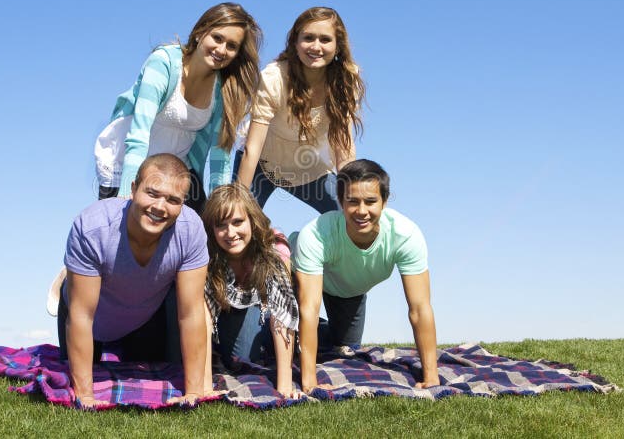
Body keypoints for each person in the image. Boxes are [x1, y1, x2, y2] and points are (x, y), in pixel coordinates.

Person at [58, 153, 210, 408]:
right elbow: (81, 316)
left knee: (153, 372)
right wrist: (85, 397)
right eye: (152, 193)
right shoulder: (93, 227)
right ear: (133, 189)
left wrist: (194, 393)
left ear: (183, 203)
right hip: (89, 321)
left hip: (142, 318)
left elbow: (191, 313)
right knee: (83, 382)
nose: (160, 207)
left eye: (173, 200)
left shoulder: (191, 230)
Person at [95, 2, 262, 212]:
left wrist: (221, 209)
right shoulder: (164, 63)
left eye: (231, 46)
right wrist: (128, 191)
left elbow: (221, 157)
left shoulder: (224, 89)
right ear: (201, 32)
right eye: (217, 38)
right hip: (127, 159)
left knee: (204, 227)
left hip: (177, 166)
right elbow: (139, 131)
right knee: (121, 234)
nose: (222, 50)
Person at [291, 159, 440, 392]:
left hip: (348, 291)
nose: (362, 211)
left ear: (384, 201)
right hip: (293, 277)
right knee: (256, 347)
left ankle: (301, 334)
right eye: (352, 202)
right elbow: (309, 308)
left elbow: (420, 308)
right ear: (340, 202)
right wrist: (309, 379)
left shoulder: (405, 234)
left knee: (344, 347)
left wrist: (431, 376)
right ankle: (278, 324)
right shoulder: (316, 234)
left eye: (371, 201)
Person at [235, 6, 364, 213]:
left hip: (307, 166)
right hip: (262, 163)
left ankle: (299, 242)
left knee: (346, 213)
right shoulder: (274, 78)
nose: (316, 46)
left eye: (325, 39)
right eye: (308, 38)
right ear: (295, 43)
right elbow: (253, 148)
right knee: (238, 219)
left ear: (338, 46)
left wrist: (354, 198)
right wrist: (238, 204)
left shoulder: (345, 82)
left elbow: (344, 152)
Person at [200, 183, 301, 398]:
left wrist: (285, 385)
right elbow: (203, 318)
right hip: (223, 310)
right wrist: (206, 386)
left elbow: (281, 316)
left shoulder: (272, 251)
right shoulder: (206, 253)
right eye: (221, 225)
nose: (230, 233)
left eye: (237, 222)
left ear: (252, 221)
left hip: (260, 310)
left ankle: (318, 331)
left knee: (245, 358)